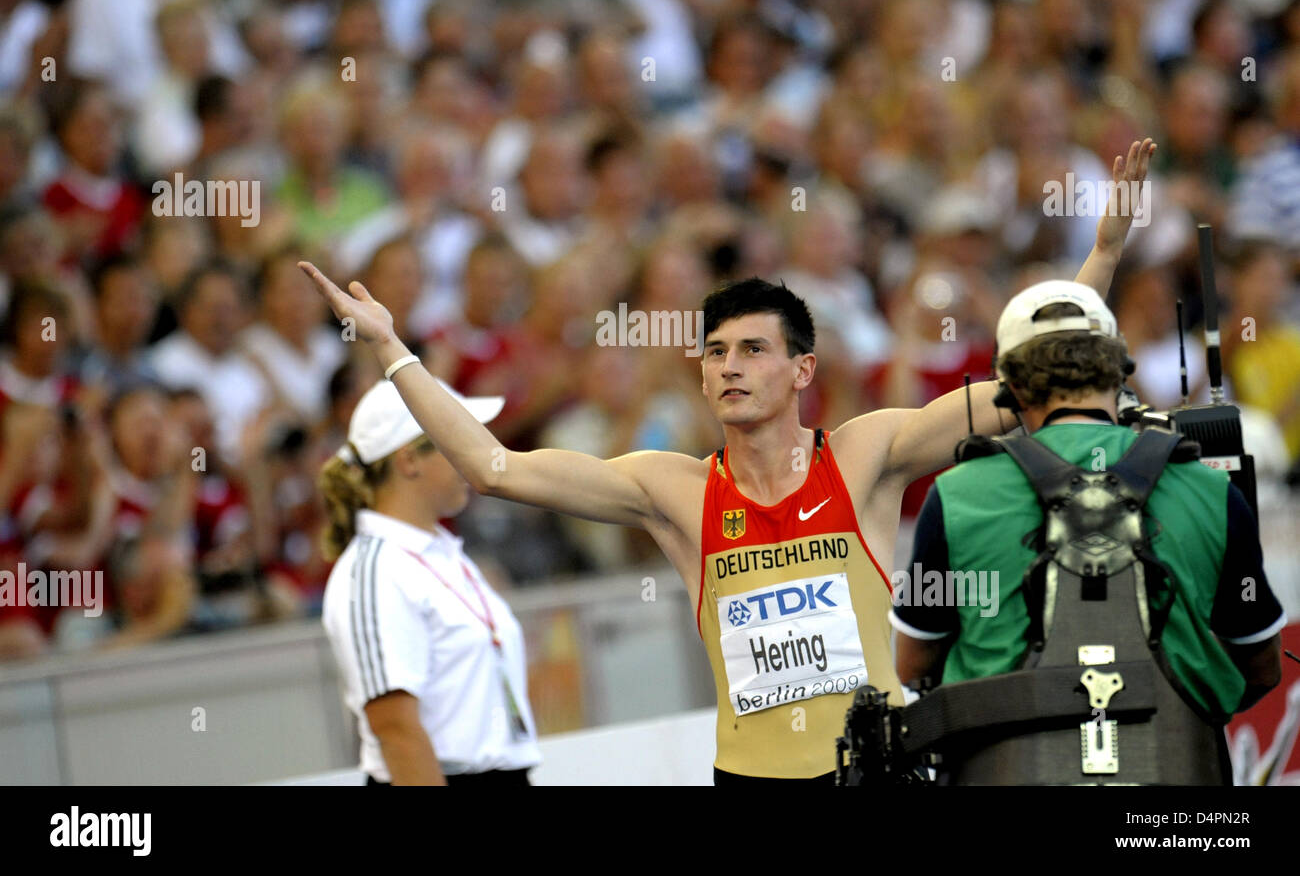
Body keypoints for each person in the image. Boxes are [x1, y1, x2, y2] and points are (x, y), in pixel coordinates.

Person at [301, 140, 1159, 783]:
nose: (729, 367)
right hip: (747, 780)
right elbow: (494, 467)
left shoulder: (865, 454)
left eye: (752, 349)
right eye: (714, 353)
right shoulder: (670, 487)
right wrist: (393, 352)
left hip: (875, 772)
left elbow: (1032, 384)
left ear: (802, 370)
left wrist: (1105, 256)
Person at [891, 280, 1286, 783]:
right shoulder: (1208, 489)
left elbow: (914, 665)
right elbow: (1262, 666)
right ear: (1119, 370)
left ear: (1009, 388)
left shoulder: (956, 494)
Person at [319, 377, 542, 786]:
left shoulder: (441, 553)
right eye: (454, 440)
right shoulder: (375, 570)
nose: (473, 455)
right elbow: (397, 731)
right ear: (408, 460)